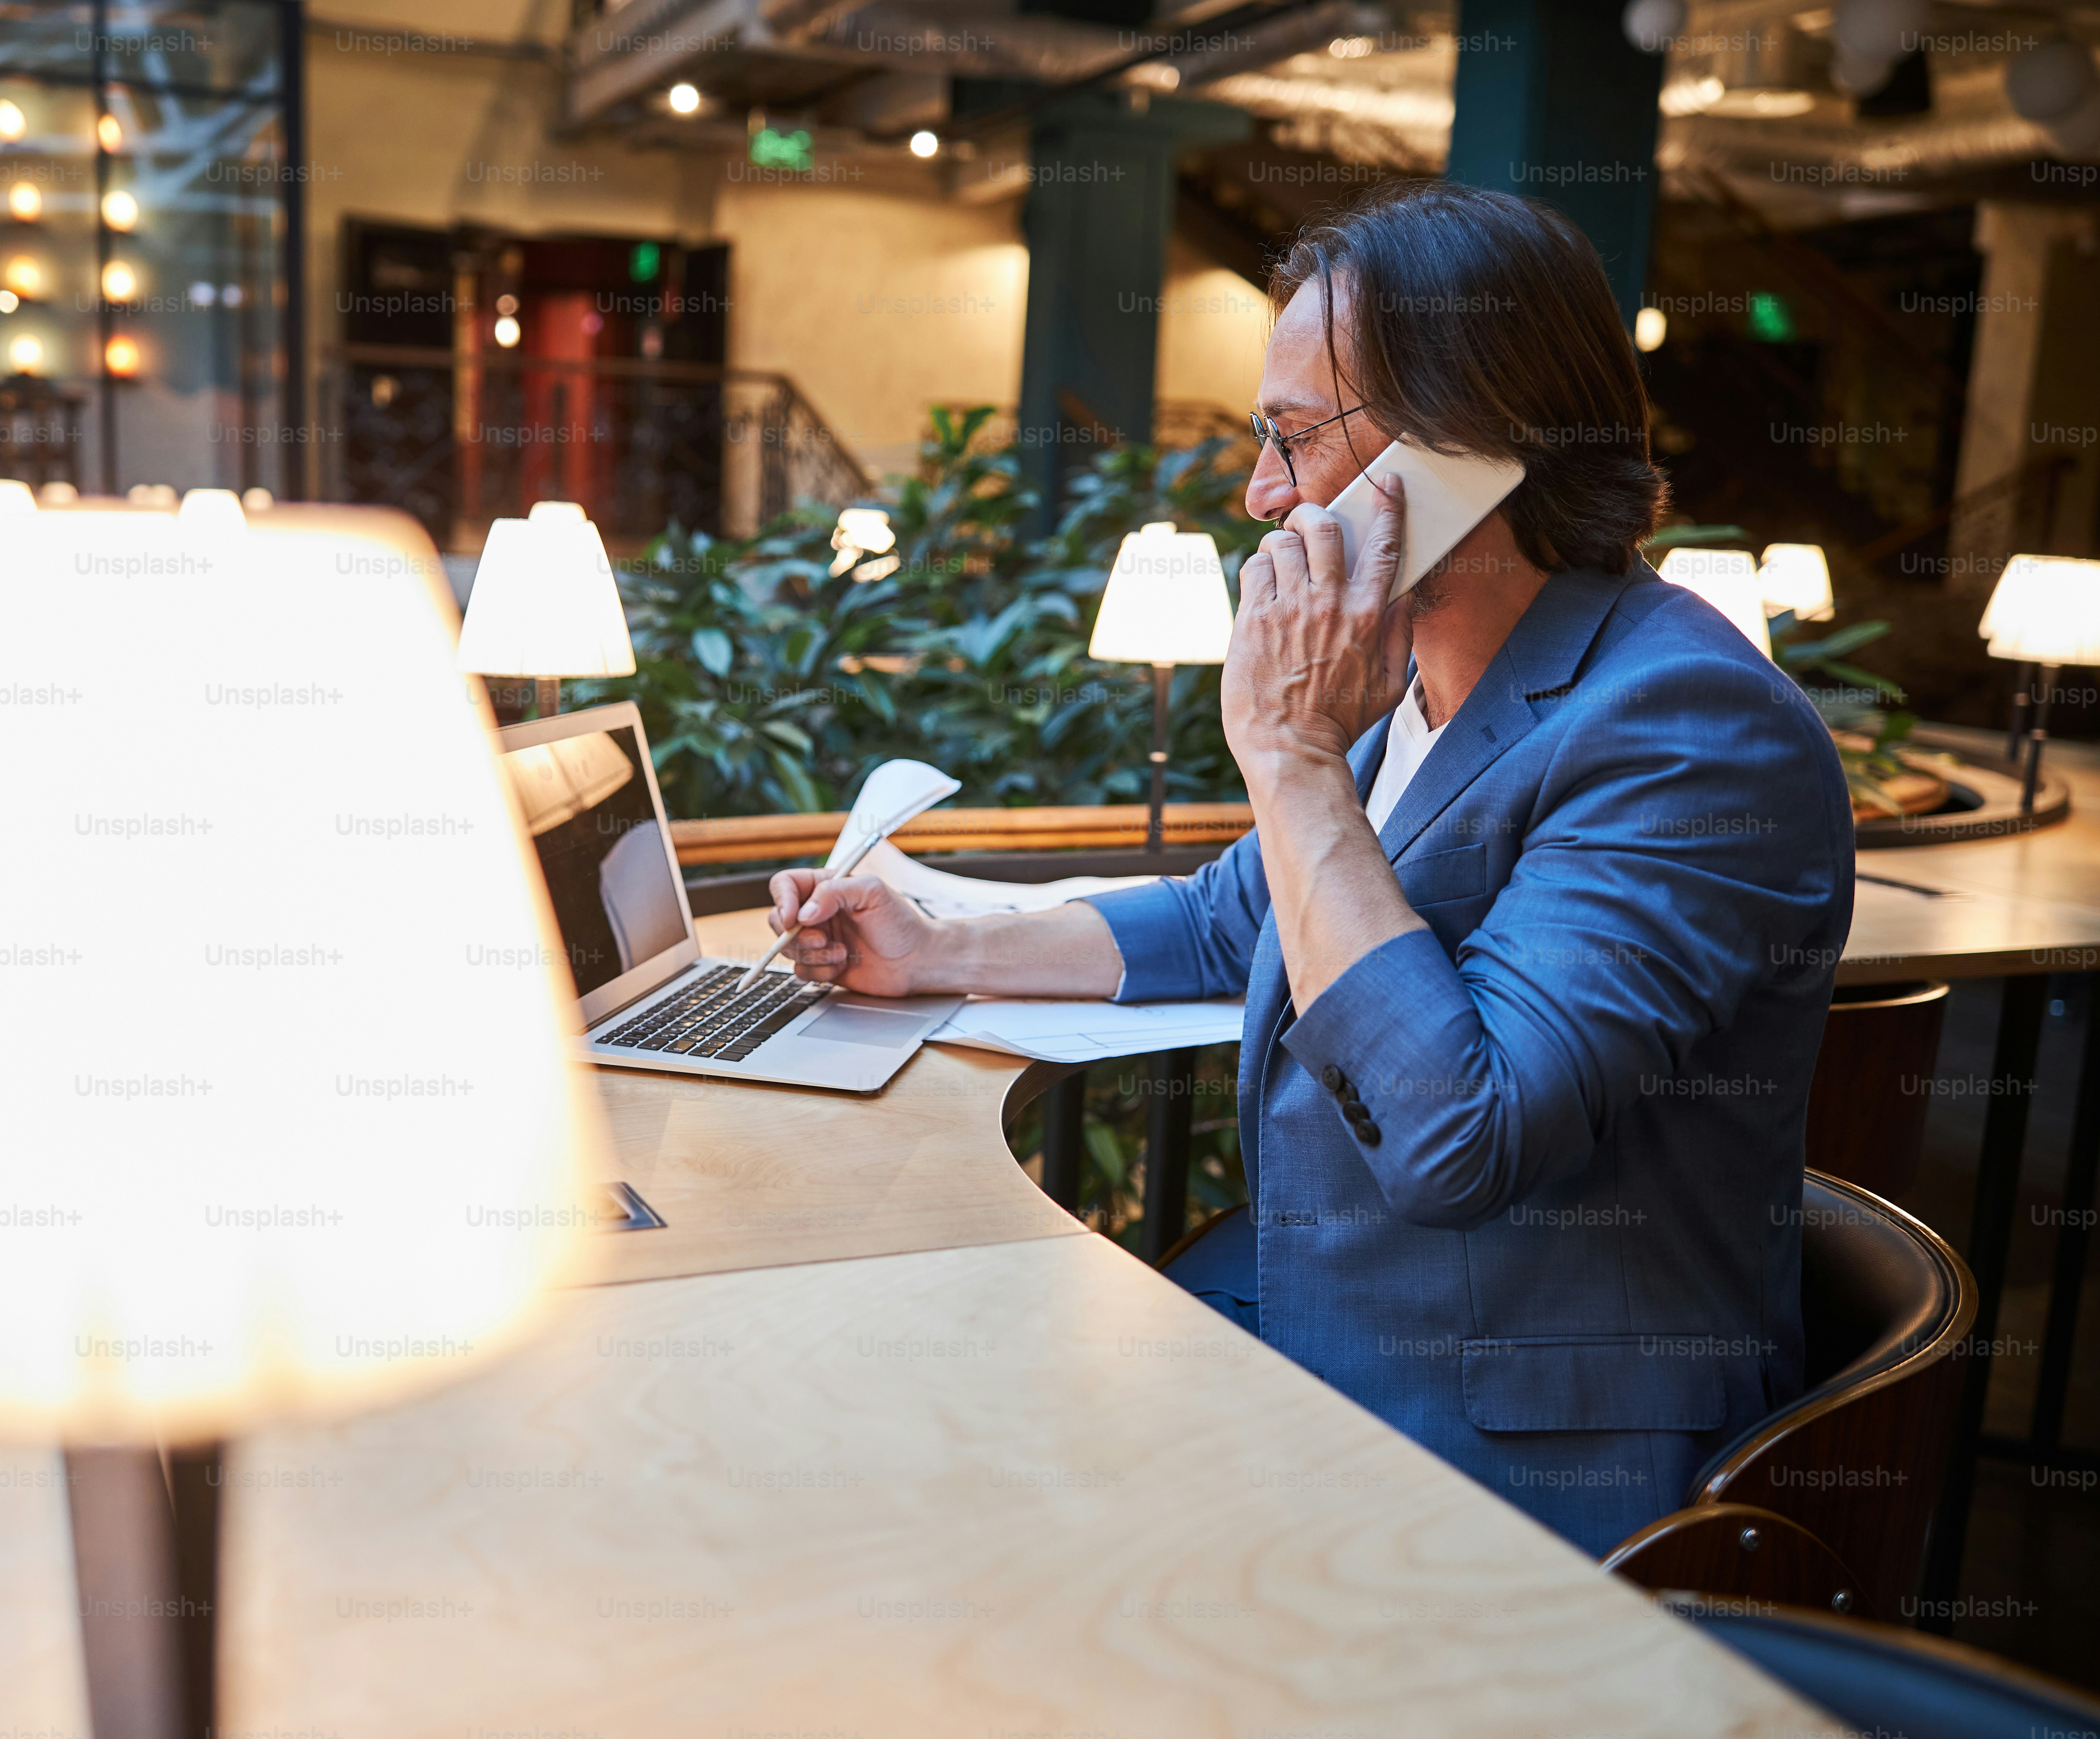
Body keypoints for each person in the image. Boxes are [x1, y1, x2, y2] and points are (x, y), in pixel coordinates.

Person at [765, 181, 1854, 1557]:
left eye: (1291, 438)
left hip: (1520, 1460)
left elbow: (1464, 1136)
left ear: (1459, 445)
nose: (1258, 492)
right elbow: (1238, 919)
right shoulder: (1437, 676)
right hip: (1339, 1328)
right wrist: (933, 947)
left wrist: (1289, 757)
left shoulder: (1689, 730)